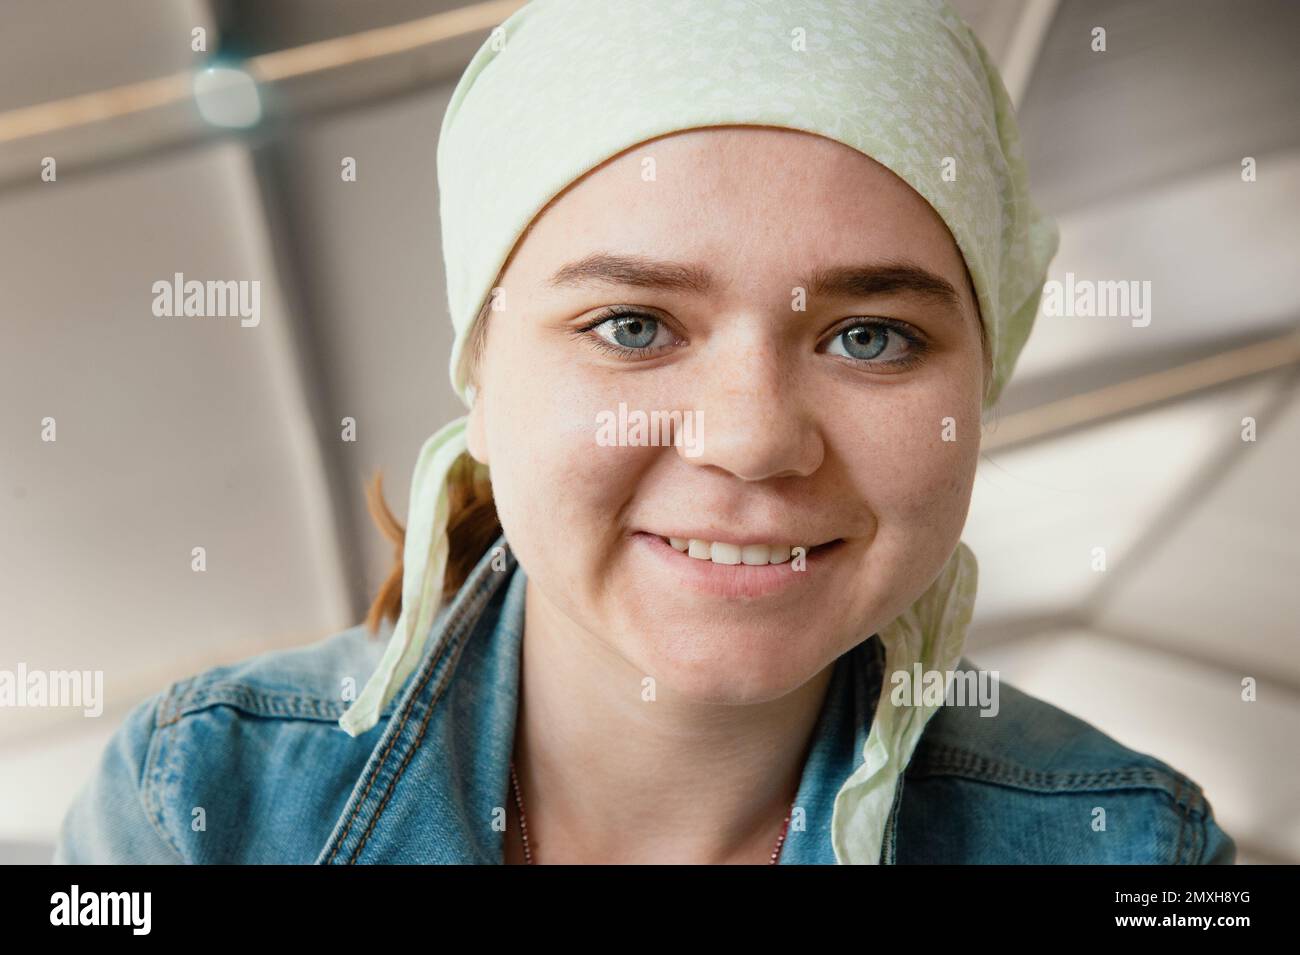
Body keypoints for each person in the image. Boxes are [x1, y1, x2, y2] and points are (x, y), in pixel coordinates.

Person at [55, 0, 1234, 864]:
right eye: (631, 324)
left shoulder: (1128, 851)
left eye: (869, 336)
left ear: (983, 382)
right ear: (481, 369)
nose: (751, 440)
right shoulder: (200, 801)